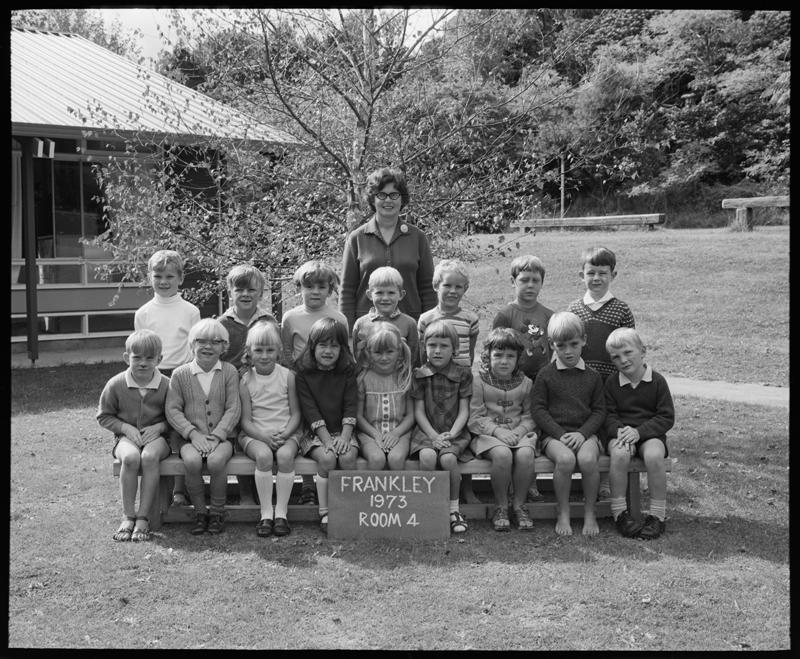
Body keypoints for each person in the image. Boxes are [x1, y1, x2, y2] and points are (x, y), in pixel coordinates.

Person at [134, 249, 200, 508]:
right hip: (154, 377)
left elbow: (194, 346)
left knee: (179, 431)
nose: (163, 281)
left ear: (180, 278)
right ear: (149, 277)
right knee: (157, 428)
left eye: (169, 276)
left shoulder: (191, 311)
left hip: (181, 375)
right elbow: (141, 348)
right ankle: (158, 488)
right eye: (158, 275)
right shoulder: (144, 313)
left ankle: (180, 489)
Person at [568, 246, 635, 500]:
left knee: (607, 427)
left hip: (611, 382)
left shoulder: (621, 310)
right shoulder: (574, 309)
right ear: (581, 275)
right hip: (582, 382)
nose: (596, 278)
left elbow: (629, 347)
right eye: (591, 273)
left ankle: (605, 482)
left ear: (613, 275)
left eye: (602, 273)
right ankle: (585, 477)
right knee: (586, 425)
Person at [280, 260, 349, 506]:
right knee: (305, 431)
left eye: (321, 286)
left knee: (327, 426)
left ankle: (337, 488)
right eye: (309, 286)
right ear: (300, 288)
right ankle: (308, 485)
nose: (315, 292)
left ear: (330, 290)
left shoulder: (338, 318)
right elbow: (286, 352)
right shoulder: (290, 318)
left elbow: (344, 351)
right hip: (301, 383)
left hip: (330, 384)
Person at [531, 312, 605, 536]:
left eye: (574, 344)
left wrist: (583, 434)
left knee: (587, 459)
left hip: (586, 435)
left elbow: (600, 410)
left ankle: (589, 512)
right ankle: (563, 512)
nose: (568, 351)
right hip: (555, 436)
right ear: (552, 345)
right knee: (565, 459)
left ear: (584, 340)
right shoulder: (545, 375)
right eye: (561, 346)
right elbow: (538, 409)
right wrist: (559, 433)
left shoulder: (593, 376)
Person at [166, 318, 241, 535]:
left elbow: (233, 408)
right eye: (201, 341)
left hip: (223, 439)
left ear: (224, 347)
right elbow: (173, 410)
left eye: (215, 342)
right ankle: (200, 512)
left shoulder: (229, 372)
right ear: (192, 344)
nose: (208, 346)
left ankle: (216, 512)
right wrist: (193, 434)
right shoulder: (180, 374)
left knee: (217, 462)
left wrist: (217, 436)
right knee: (191, 460)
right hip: (190, 438)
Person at [339, 166, 437, 331]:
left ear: (402, 198)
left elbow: (428, 289)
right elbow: (347, 291)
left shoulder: (418, 237)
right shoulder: (356, 239)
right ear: (373, 199)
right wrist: (347, 334)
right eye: (381, 195)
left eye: (394, 195)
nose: (388, 200)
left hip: (409, 328)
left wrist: (429, 330)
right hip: (367, 330)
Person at [97, 329, 172, 542]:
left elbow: (175, 417)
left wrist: (159, 428)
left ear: (159, 359)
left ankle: (143, 517)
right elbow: (104, 416)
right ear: (126, 357)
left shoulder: (167, 384)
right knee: (130, 458)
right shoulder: (116, 384)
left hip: (159, 439)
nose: (143, 363)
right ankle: (128, 515)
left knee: (148, 457)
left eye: (149, 358)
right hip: (125, 438)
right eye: (136, 357)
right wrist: (125, 428)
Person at [417, 258, 480, 503]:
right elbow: (424, 353)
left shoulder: (470, 319)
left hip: (460, 380)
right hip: (433, 379)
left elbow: (470, 351)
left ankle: (467, 488)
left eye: (459, 287)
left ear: (465, 289)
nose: (452, 291)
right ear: (436, 286)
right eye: (447, 285)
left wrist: (463, 370)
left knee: (464, 434)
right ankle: (433, 498)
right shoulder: (425, 319)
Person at [491, 254, 553, 502]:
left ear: (541, 283)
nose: (529, 285)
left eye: (535, 280)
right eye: (524, 279)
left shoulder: (549, 315)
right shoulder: (505, 314)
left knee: (531, 429)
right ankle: (507, 482)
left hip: (538, 381)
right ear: (513, 281)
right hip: (510, 382)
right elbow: (492, 348)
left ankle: (530, 481)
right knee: (510, 427)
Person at [604, 328, 674, 540]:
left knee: (654, 456)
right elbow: (607, 415)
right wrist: (620, 431)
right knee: (620, 454)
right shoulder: (611, 383)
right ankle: (619, 513)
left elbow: (665, 417)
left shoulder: (657, 382)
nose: (623, 360)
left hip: (650, 435)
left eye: (628, 352)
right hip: (621, 435)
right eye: (616, 357)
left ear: (642, 351)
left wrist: (639, 432)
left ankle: (657, 516)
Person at [218, 264, 277, 507]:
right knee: (242, 436)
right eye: (239, 289)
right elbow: (218, 359)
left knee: (261, 432)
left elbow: (276, 354)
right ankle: (245, 494)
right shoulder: (222, 323)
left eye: (251, 290)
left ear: (261, 293)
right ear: (229, 292)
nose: (245, 294)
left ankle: (267, 487)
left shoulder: (268, 320)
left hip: (263, 387)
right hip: (233, 389)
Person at [294, 318, 359, 535]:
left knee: (348, 457)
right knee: (328, 458)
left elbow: (351, 405)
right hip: (314, 432)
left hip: (344, 430)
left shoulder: (348, 371)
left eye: (334, 345)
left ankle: (348, 508)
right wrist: (328, 441)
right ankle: (325, 511)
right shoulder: (303, 373)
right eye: (323, 345)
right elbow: (309, 409)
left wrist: (345, 437)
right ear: (312, 347)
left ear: (343, 348)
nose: (328, 351)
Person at [468, 328, 537, 532]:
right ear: (488, 356)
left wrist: (519, 431)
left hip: (519, 433)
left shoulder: (526, 383)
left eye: (510, 356)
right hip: (488, 435)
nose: (504, 361)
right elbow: (475, 417)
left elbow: (530, 416)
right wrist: (499, 432)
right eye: (498, 355)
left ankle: (519, 504)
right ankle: (501, 506)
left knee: (525, 455)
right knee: (502, 454)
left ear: (518, 359)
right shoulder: (478, 381)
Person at [238, 320, 303, 538]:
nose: (264, 356)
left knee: (285, 457)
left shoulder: (288, 376)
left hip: (287, 432)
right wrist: (263, 437)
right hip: (255, 434)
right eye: (258, 350)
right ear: (249, 352)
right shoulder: (245, 380)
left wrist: (286, 434)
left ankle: (281, 513)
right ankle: (266, 512)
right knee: (264, 457)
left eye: (269, 350)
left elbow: (296, 413)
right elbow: (245, 421)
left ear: (278, 352)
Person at [410, 320, 473, 534]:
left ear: (454, 349)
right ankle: (430, 507)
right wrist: (433, 436)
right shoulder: (419, 374)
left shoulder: (463, 374)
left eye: (444, 346)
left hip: (453, 430)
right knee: (427, 458)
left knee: (447, 459)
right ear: (424, 347)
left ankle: (453, 509)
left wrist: (452, 434)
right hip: (426, 430)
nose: (437, 351)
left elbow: (464, 410)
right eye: (432, 345)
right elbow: (418, 411)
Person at [355, 323, 415, 470]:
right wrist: (375, 434)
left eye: (389, 352)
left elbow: (411, 415)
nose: (384, 357)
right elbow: (358, 416)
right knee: (376, 459)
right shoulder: (363, 379)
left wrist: (396, 433)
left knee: (396, 459)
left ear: (399, 351)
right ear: (368, 353)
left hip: (400, 433)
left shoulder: (404, 377)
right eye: (378, 352)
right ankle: (372, 493)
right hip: (369, 433)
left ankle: (399, 493)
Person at [351, 266, 419, 367]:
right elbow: (357, 356)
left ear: (401, 294)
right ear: (369, 295)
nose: (385, 298)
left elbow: (413, 357)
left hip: (399, 379)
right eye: (379, 293)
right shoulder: (361, 324)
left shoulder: (409, 324)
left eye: (391, 293)